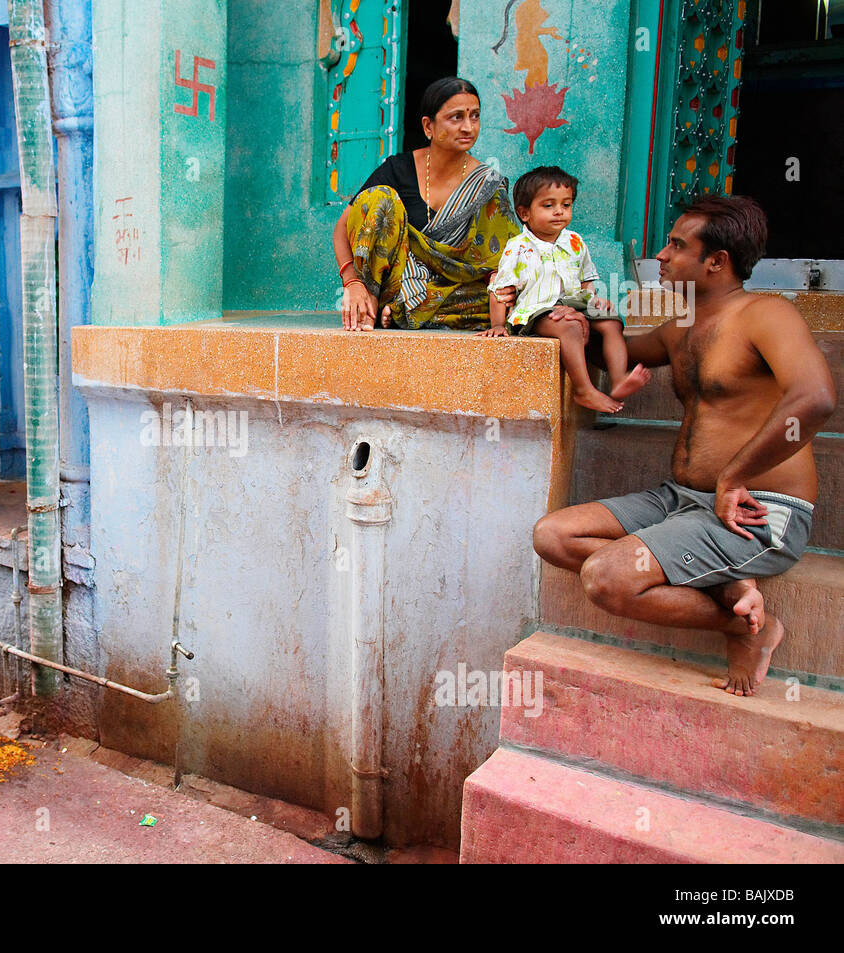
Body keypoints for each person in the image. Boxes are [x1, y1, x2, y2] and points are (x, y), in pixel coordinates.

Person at [533, 196, 837, 697]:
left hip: (756, 512)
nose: (662, 255)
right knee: (553, 535)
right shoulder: (682, 326)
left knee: (608, 577)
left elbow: (817, 399)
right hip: (683, 501)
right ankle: (725, 587)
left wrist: (733, 477)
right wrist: (563, 313)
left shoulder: (766, 315)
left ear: (716, 262)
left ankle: (743, 629)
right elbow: (615, 354)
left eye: (677, 245)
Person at [333, 76, 521, 332]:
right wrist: (352, 282)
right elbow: (342, 228)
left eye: (474, 116)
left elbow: (502, 258)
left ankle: (401, 310)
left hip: (451, 291)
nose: (468, 127)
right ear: (428, 126)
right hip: (395, 283)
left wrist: (503, 287)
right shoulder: (397, 169)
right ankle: (371, 302)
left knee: (502, 300)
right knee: (378, 198)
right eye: (456, 118)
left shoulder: (486, 184)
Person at [479, 166, 652, 413]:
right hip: (535, 312)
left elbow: (585, 280)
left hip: (574, 303)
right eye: (548, 205)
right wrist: (497, 325)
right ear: (525, 213)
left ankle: (619, 379)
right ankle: (584, 390)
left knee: (611, 322)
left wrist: (594, 301)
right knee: (569, 327)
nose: (559, 211)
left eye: (566, 205)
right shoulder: (518, 247)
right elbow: (499, 289)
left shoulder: (574, 241)